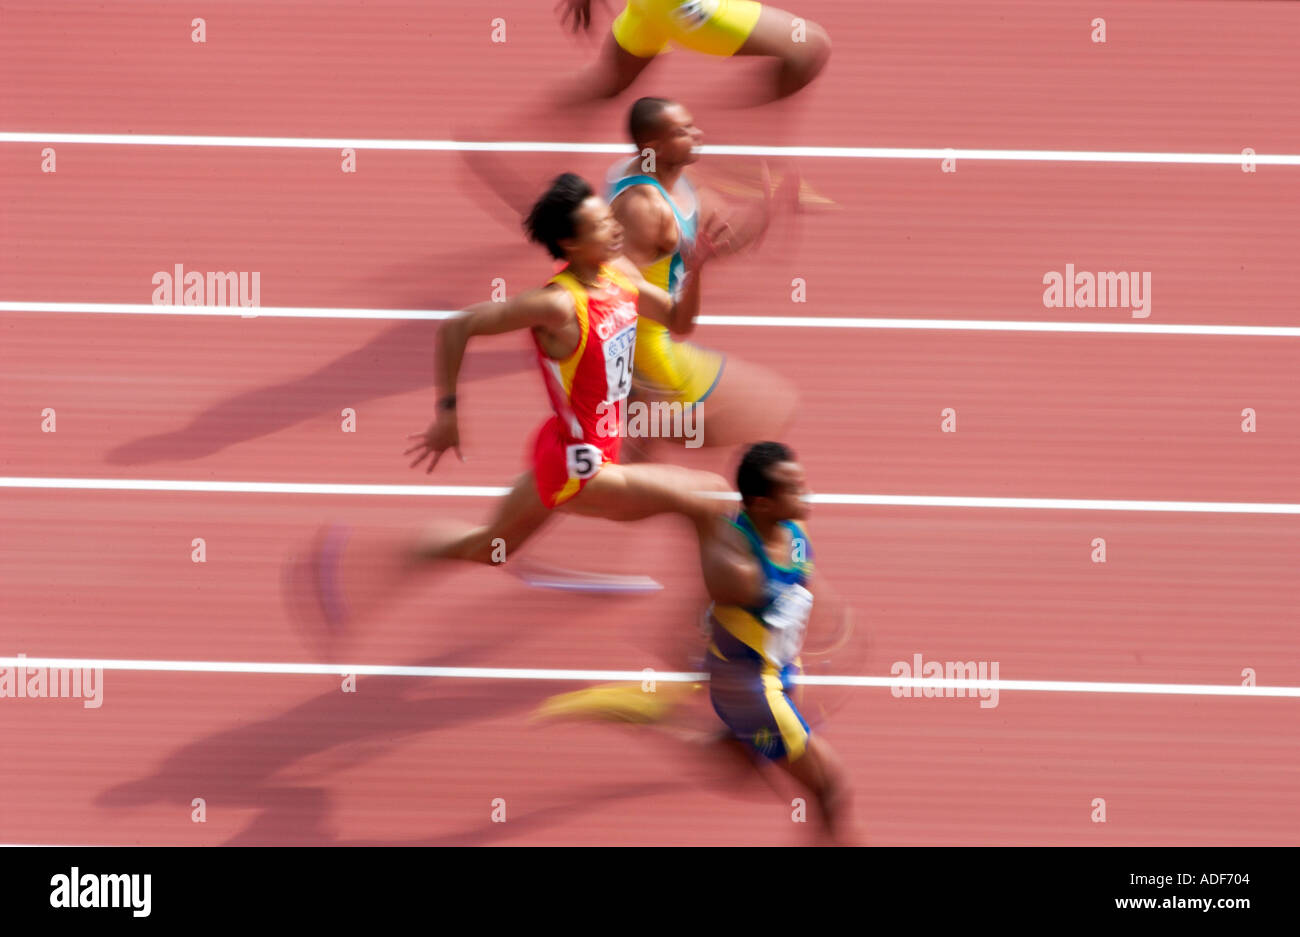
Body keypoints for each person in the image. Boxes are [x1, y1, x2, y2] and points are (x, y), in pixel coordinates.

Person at [289, 173, 738, 633]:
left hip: (558, 453)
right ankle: (715, 637)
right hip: (585, 472)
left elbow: (680, 322)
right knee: (711, 498)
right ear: (571, 241)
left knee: (487, 547)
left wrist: (697, 267)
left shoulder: (619, 276)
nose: (616, 228)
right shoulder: (558, 305)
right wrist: (447, 413)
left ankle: (357, 563)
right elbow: (457, 327)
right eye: (602, 224)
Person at [537, 441, 857, 843]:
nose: (805, 495)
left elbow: (797, 575)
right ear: (760, 503)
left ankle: (644, 714)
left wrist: (830, 614)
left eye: (803, 483)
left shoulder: (793, 528)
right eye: (793, 490)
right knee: (829, 786)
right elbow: (687, 508)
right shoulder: (733, 568)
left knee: (737, 766)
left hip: (777, 669)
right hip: (751, 689)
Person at [607, 96, 798, 455]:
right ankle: (641, 426)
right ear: (654, 146)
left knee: (644, 467)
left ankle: (637, 435)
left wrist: (768, 211)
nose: (698, 134)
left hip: (659, 340)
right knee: (767, 406)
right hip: (647, 352)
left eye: (692, 125)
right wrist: (629, 374)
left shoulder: (678, 177)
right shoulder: (643, 207)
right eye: (683, 131)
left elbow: (723, 238)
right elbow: (618, 282)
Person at [555, 0, 831, 105]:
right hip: (686, 11)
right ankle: (718, 131)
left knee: (613, 82)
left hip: (649, 8)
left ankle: (533, 126)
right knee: (811, 46)